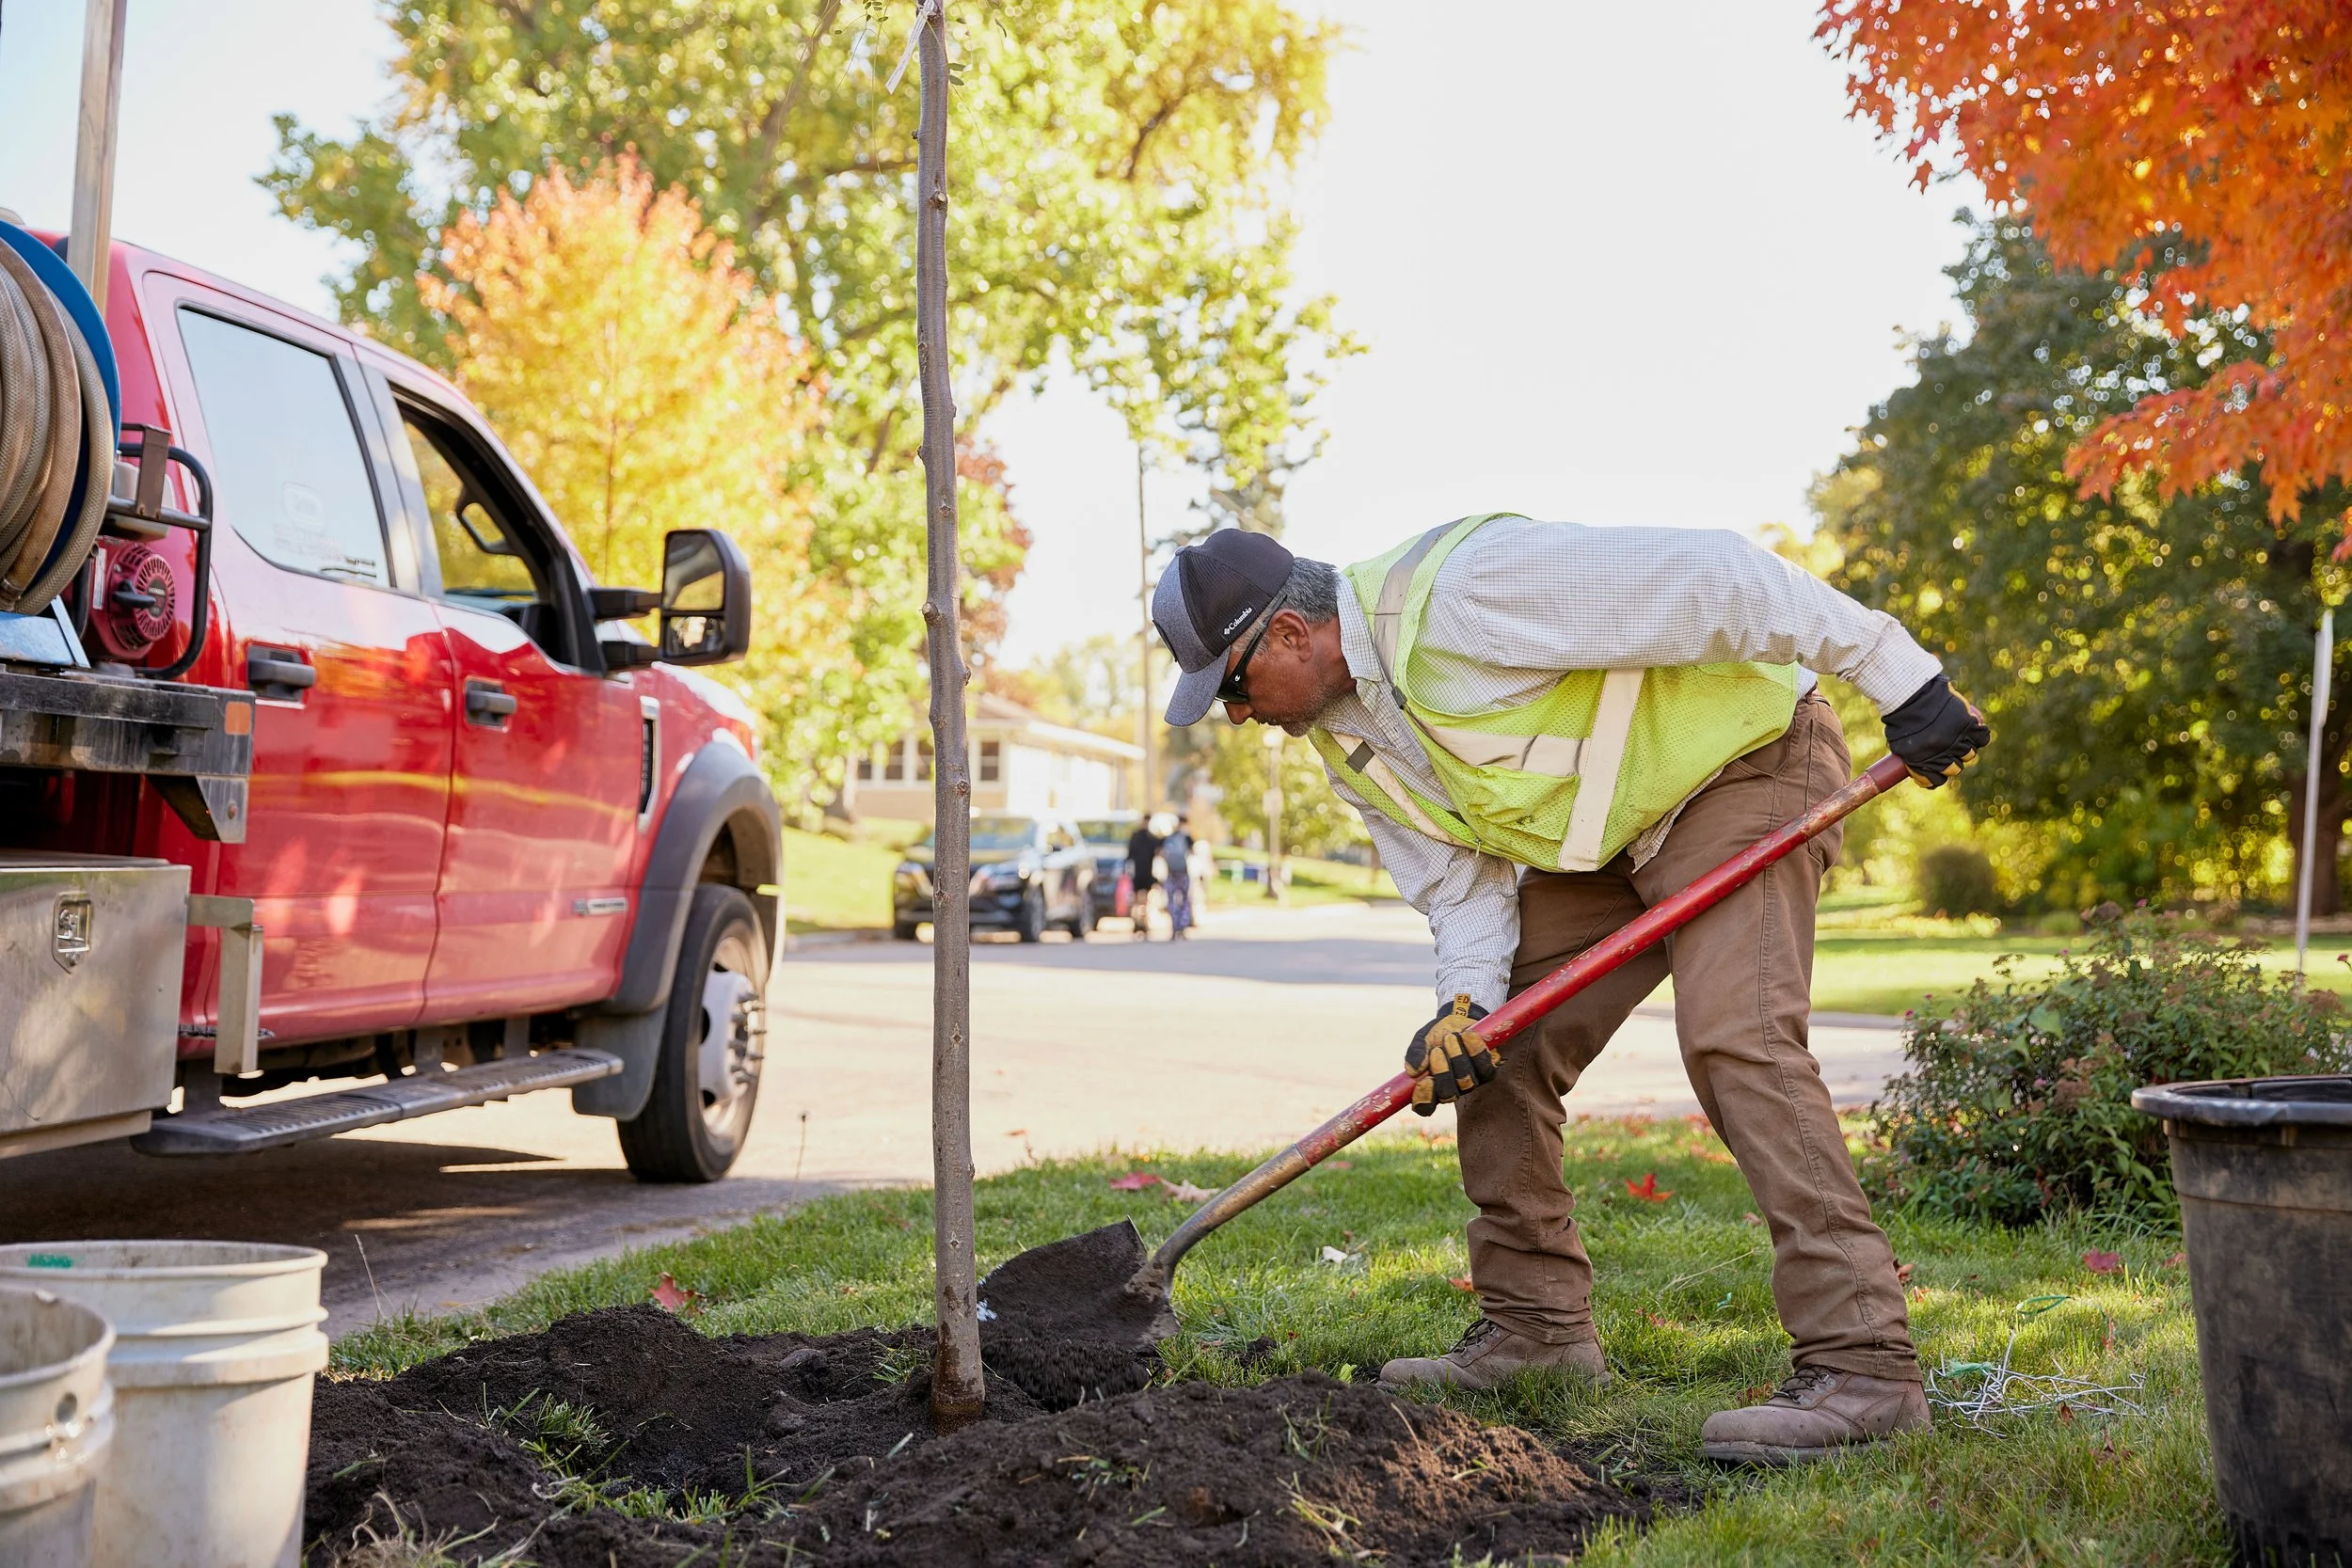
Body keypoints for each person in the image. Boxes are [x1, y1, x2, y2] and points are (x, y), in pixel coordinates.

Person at [1150, 518, 1987, 1466]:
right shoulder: (1343, 739)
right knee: (1496, 1049)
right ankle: (1536, 1328)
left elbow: (1723, 578)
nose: (1234, 715)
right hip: (1604, 846)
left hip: (1741, 767)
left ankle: (1864, 1366)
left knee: (1735, 1038)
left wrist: (1901, 676)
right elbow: (1459, 886)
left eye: (1230, 685)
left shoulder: (1463, 592)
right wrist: (1464, 1005)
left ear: (1292, 635)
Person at [1124, 817, 1162, 941]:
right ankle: (1139, 922)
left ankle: (1141, 922)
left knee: (1142, 900)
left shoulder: (1142, 837)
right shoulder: (1147, 837)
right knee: (1140, 900)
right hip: (1141, 873)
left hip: (1142, 873)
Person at [1160, 814, 1195, 940]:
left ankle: (1174, 927)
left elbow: (1162, 854)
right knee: (1184, 901)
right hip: (1183, 873)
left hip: (1171, 874)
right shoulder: (1186, 838)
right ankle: (1182, 927)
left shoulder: (1168, 838)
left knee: (1171, 902)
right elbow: (1192, 852)